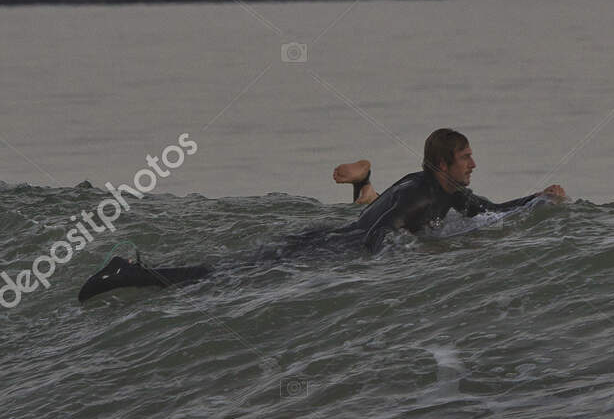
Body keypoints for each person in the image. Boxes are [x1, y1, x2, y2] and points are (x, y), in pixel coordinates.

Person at [77, 128, 566, 302]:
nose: (474, 164)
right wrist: (384, 270)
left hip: (332, 238)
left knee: (227, 273)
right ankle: (132, 275)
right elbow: (378, 240)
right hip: (331, 247)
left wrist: (538, 197)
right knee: (220, 277)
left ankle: (139, 273)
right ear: (443, 165)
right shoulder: (421, 194)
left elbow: (491, 212)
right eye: (466, 159)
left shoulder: (451, 193)